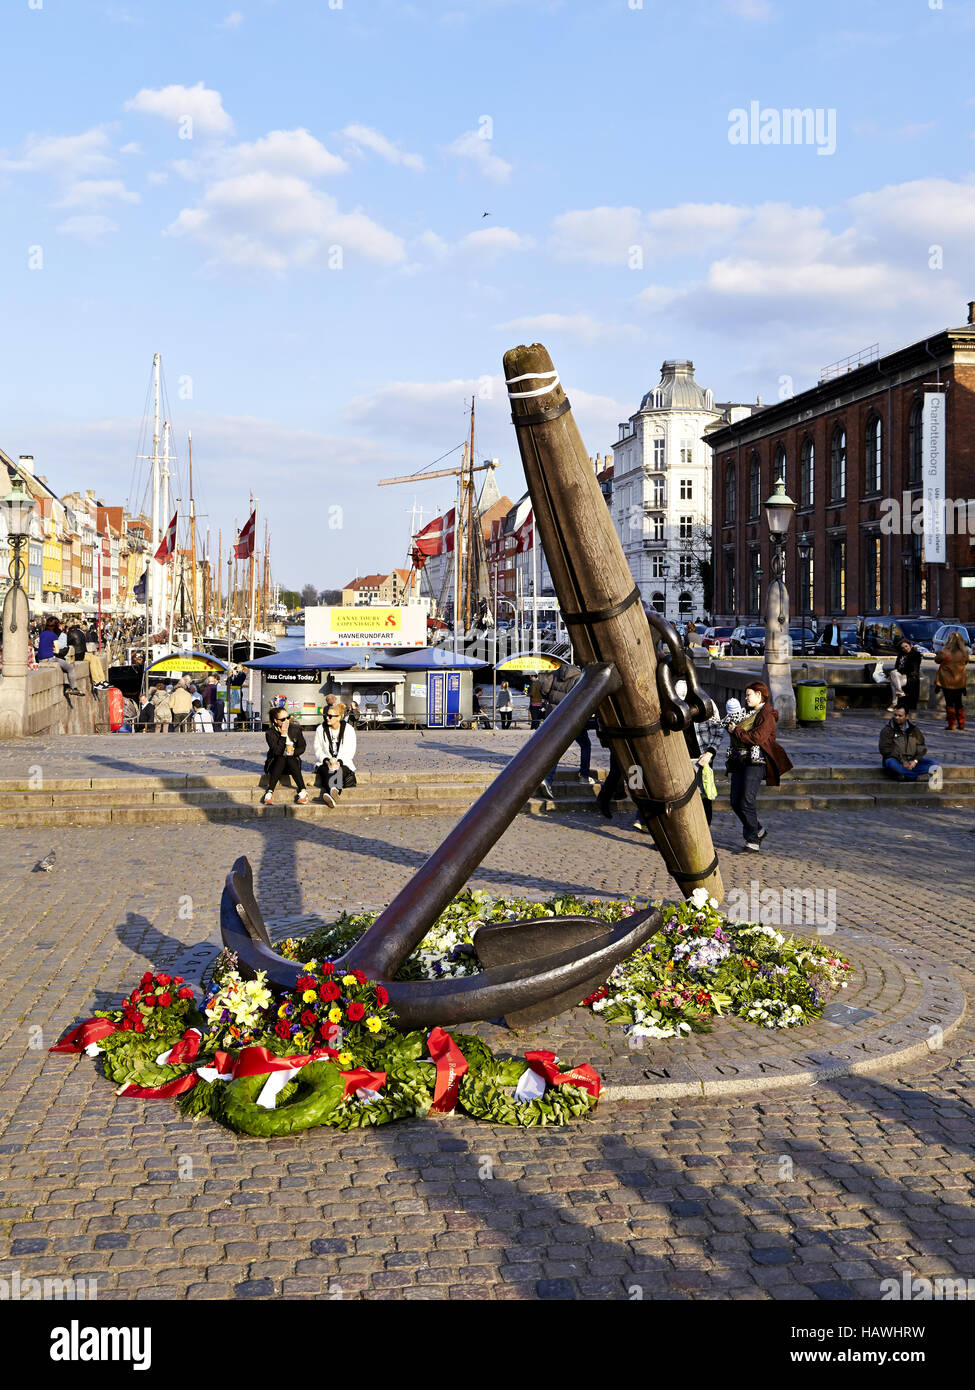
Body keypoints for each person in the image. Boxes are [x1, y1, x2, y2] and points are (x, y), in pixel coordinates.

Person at [726, 680, 793, 851]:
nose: (746, 698)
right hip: (740, 760)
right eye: (746, 695)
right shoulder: (748, 712)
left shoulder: (767, 715)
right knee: (735, 801)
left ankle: (752, 841)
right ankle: (758, 830)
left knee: (746, 801)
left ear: (759, 695)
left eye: (748, 695)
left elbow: (757, 738)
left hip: (756, 762)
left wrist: (737, 731)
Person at [880, 706, 943, 787]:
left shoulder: (914, 730)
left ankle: (905, 775)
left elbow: (921, 747)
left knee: (935, 764)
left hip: (912, 761)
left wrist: (915, 761)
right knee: (890, 763)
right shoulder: (887, 730)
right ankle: (916, 777)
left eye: (900, 716)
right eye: (895, 715)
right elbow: (885, 750)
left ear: (906, 716)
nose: (896, 718)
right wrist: (903, 761)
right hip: (897, 761)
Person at [313, 701, 357, 808]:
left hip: (344, 762)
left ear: (339, 717)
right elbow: (317, 748)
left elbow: (351, 749)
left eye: (331, 716)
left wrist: (339, 761)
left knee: (340, 771)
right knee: (326, 770)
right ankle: (335, 792)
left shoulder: (349, 730)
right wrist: (326, 760)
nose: (327, 718)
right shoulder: (320, 729)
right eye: (326, 715)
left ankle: (330, 793)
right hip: (325, 761)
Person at [262, 707, 308, 805]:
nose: (286, 721)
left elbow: (302, 746)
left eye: (288, 717)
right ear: (275, 720)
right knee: (282, 756)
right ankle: (270, 792)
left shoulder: (295, 729)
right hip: (275, 765)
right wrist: (283, 735)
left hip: (292, 765)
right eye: (283, 719)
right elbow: (276, 751)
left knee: (289, 756)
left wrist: (294, 752)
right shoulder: (270, 733)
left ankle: (303, 791)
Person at [935, 631, 968, 731]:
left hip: (947, 682)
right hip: (960, 682)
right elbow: (966, 662)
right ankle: (961, 724)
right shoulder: (964, 652)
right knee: (959, 703)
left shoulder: (945, 652)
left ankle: (952, 724)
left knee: (949, 703)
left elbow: (937, 660)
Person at [36, 618, 78, 691]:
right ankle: (74, 688)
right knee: (70, 668)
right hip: (50, 659)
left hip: (40, 659)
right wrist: (53, 649)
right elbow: (57, 651)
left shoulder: (42, 634)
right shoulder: (53, 636)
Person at [892, 637, 922, 715]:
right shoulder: (901, 655)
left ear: (910, 645)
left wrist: (900, 672)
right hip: (900, 676)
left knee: (893, 683)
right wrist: (898, 672)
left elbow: (913, 670)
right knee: (893, 673)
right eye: (903, 648)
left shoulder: (916, 655)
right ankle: (899, 692)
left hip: (910, 677)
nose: (905, 649)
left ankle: (894, 703)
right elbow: (896, 667)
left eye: (906, 646)